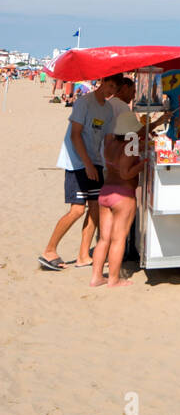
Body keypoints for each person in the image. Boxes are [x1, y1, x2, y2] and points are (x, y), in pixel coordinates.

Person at [38, 74, 124, 270]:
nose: (110, 90)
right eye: (109, 85)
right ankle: (49, 250)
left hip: (95, 162)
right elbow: (75, 135)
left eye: (115, 89)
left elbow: (107, 138)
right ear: (102, 82)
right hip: (76, 162)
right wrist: (87, 164)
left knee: (95, 208)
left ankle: (83, 255)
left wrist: (111, 161)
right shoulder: (84, 102)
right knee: (77, 209)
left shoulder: (108, 109)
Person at [90, 109, 147, 288]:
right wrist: (142, 165)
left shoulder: (111, 144)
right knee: (119, 238)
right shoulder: (129, 148)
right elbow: (126, 172)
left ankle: (96, 277)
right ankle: (114, 279)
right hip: (123, 195)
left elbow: (116, 168)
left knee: (104, 239)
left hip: (106, 192)